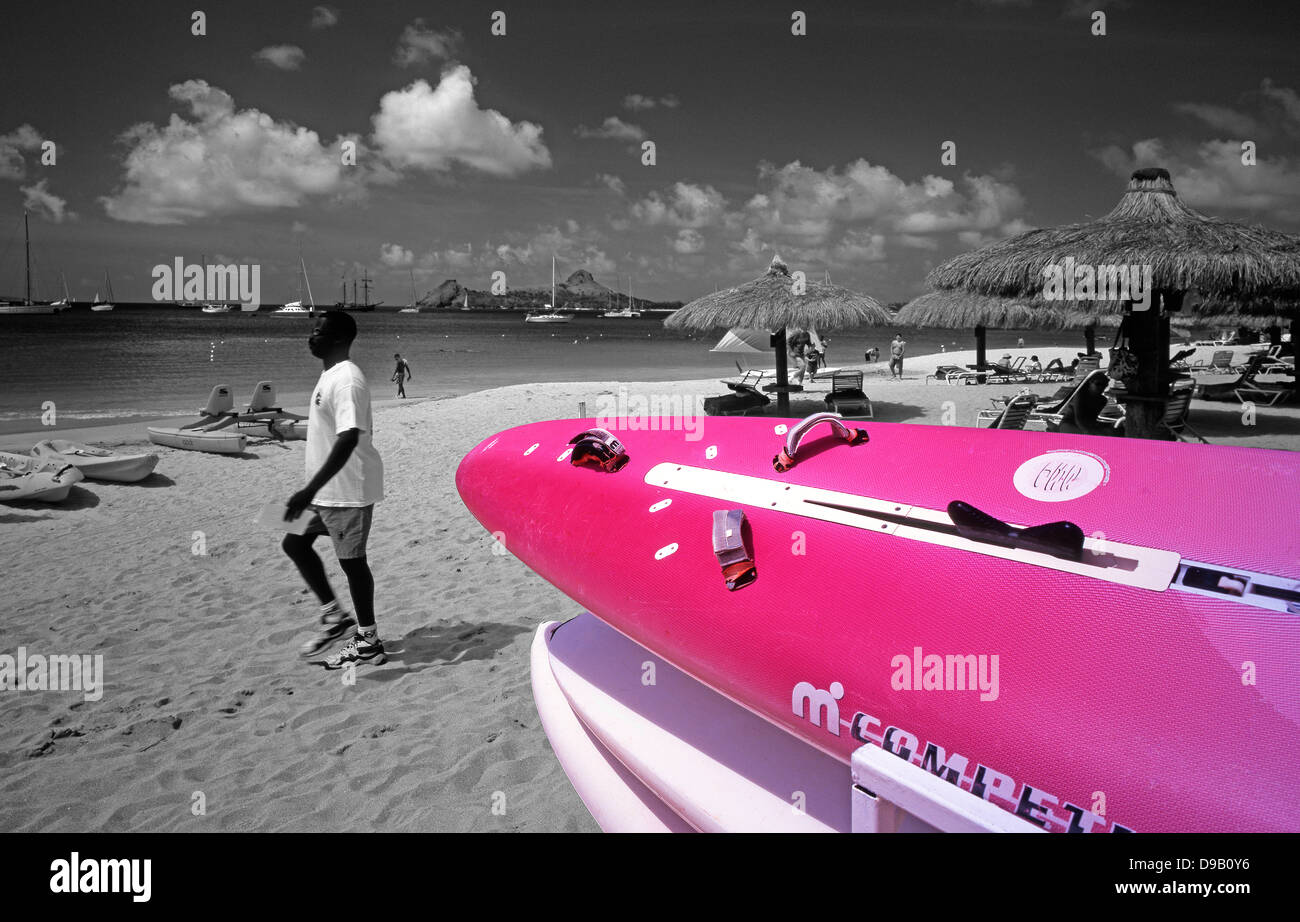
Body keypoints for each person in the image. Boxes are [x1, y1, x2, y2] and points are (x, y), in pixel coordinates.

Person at [283, 311, 387, 669]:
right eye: (312, 330)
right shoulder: (329, 375)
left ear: (340, 338)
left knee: (352, 563)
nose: (311, 336)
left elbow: (348, 439)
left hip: (346, 491)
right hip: (323, 492)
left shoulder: (347, 380)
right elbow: (329, 432)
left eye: (319, 331)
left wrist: (307, 489)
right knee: (292, 541)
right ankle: (334, 616)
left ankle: (368, 641)